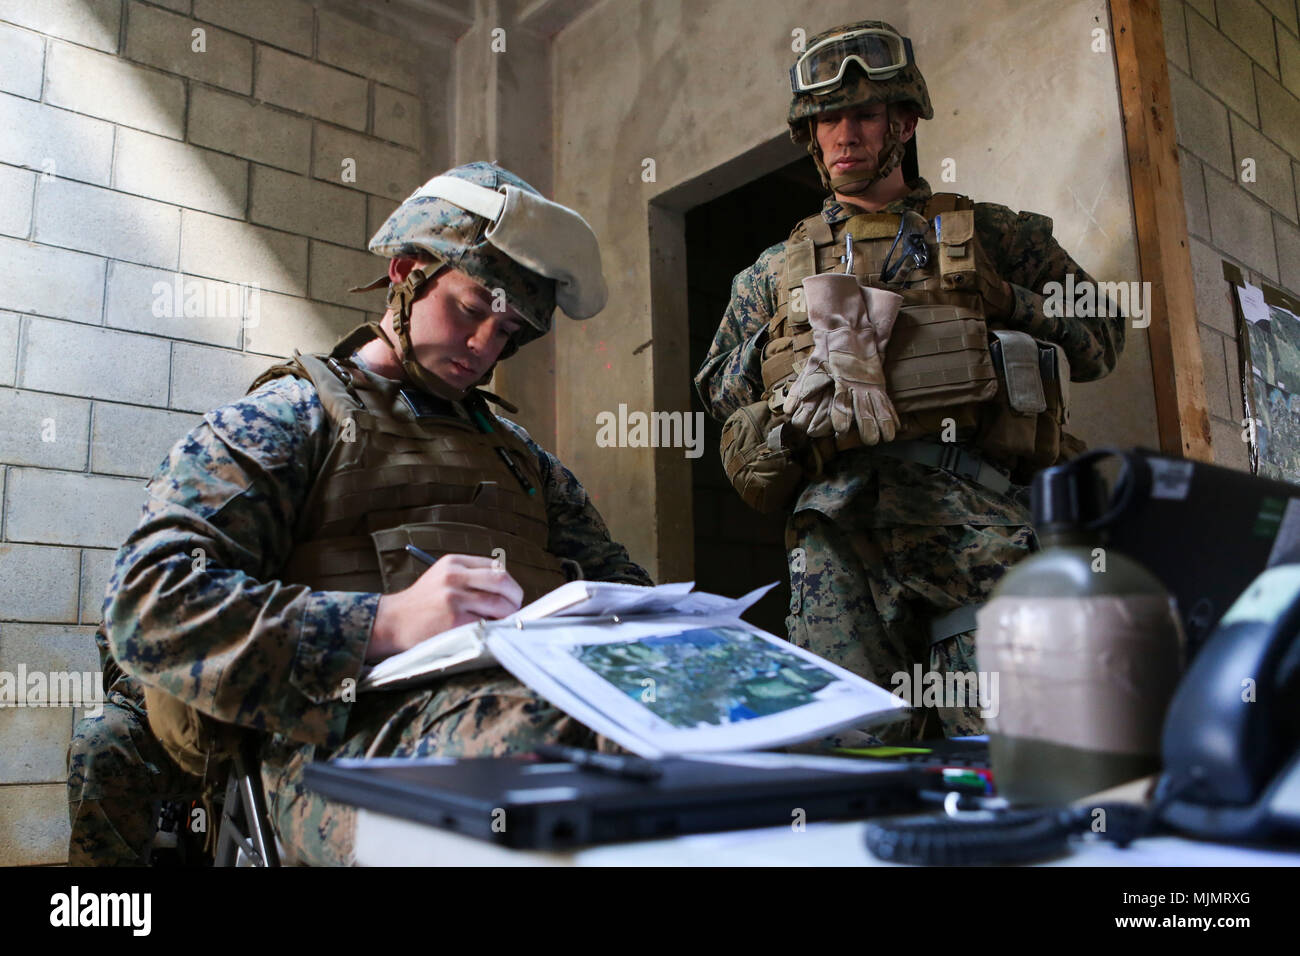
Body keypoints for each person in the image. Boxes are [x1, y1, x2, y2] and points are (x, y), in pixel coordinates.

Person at [67, 161, 651, 866]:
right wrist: (386, 623)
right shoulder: (287, 418)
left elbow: (630, 595)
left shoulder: (523, 461)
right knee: (543, 782)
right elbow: (149, 603)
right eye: (471, 310)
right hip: (342, 738)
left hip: (530, 706)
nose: (483, 349)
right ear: (407, 271)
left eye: (508, 333)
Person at [695, 21, 1126, 741]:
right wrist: (791, 358)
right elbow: (718, 391)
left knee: (1016, 754)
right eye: (827, 120)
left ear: (904, 121)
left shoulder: (994, 232)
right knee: (857, 765)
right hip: (839, 542)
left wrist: (1009, 300)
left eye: (862, 115)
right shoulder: (771, 273)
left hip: (978, 530)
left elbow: (1104, 337)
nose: (843, 136)